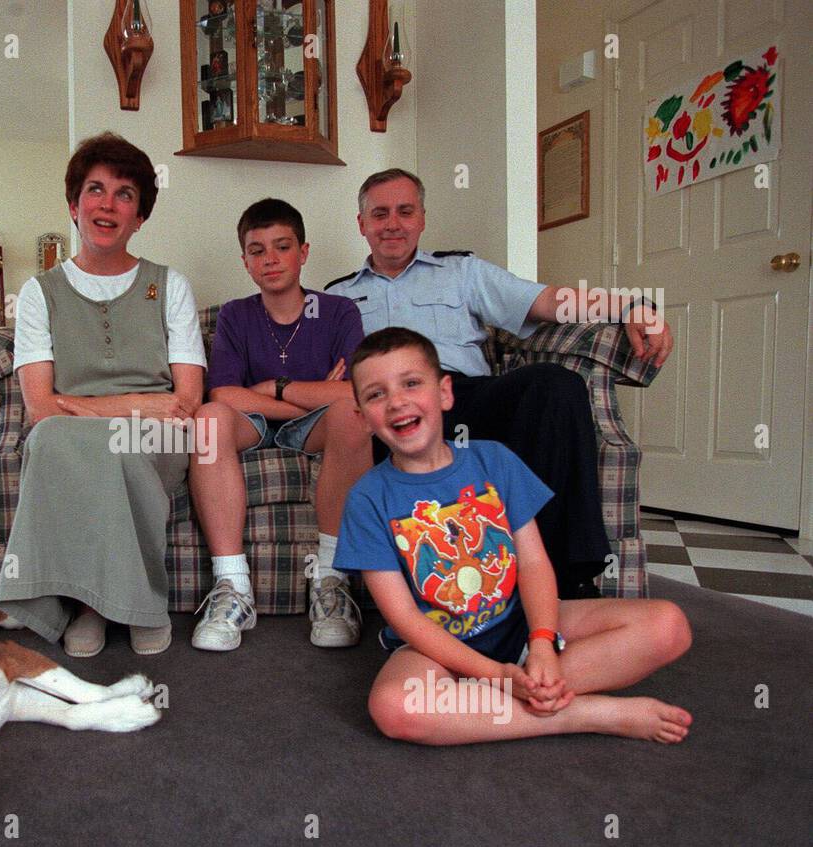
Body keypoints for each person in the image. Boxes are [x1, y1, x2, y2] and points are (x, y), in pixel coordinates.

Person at [326, 169, 675, 598]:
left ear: (422, 218)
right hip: (394, 411)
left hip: (467, 397)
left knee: (555, 384)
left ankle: (565, 580)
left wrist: (630, 305)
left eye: (405, 211)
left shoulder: (462, 271)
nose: (393, 224)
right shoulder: (335, 298)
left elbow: (545, 300)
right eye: (380, 214)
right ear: (362, 224)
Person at [335, 327, 693, 745]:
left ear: (445, 393)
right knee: (396, 707)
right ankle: (585, 712)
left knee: (669, 626)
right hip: (437, 651)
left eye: (412, 383)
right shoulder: (366, 499)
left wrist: (542, 644)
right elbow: (405, 619)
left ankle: (506, 696)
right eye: (376, 394)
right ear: (361, 418)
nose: (397, 401)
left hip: (521, 624)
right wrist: (496, 676)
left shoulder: (495, 460)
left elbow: (535, 562)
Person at [0, 133, 207, 657]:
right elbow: (41, 407)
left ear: (139, 217)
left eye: (125, 194)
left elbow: (187, 401)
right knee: (52, 440)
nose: (107, 204)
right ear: (74, 206)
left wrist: (83, 407)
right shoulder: (40, 293)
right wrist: (135, 404)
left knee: (115, 444)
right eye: (95, 189)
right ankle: (124, 607)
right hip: (75, 433)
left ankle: (87, 607)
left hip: (156, 437)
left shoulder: (169, 285)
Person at [187, 199, 370, 651]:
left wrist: (277, 387)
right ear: (245, 260)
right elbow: (223, 395)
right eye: (257, 250)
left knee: (350, 414)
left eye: (282, 246)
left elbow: (355, 392)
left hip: (320, 425)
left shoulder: (339, 310)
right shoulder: (235, 313)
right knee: (209, 420)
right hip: (254, 424)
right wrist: (307, 397)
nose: (270, 259)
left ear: (303, 252)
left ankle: (329, 581)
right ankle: (233, 588)